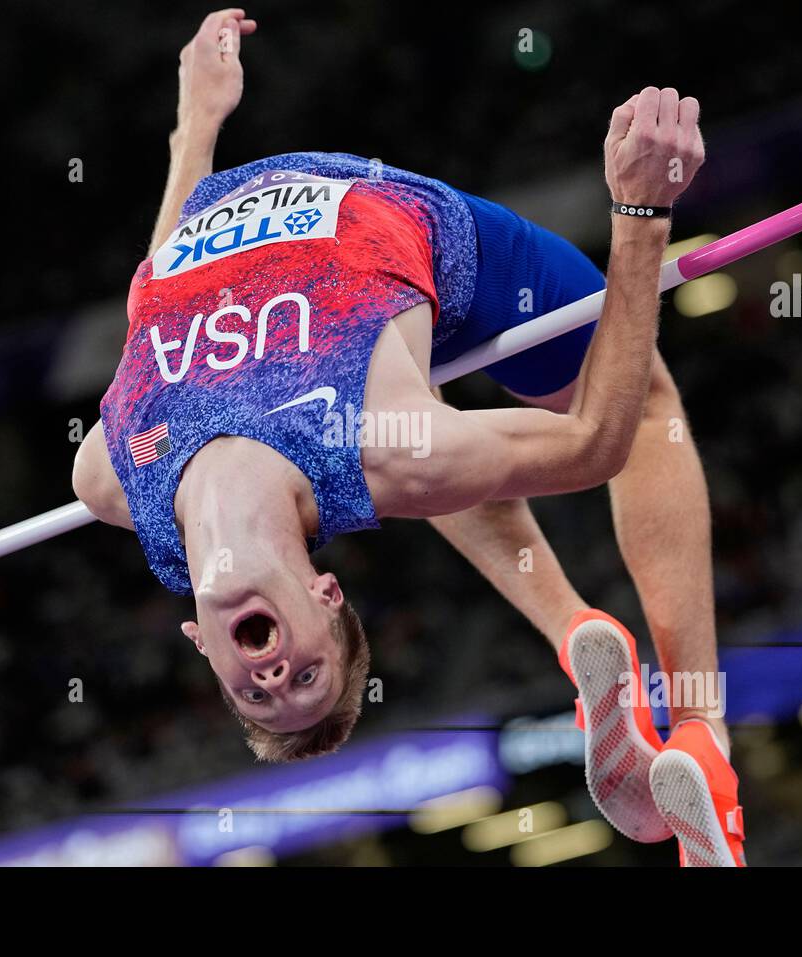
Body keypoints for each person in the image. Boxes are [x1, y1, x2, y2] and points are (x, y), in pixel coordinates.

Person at [72, 9, 744, 866]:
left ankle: (574, 631)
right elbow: (594, 443)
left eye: (259, 695)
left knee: (426, 440)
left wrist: (194, 125)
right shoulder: (387, 449)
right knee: (645, 406)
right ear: (324, 594)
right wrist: (640, 212)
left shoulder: (110, 475)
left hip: (239, 227)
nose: (275, 678)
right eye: (307, 680)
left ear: (202, 643)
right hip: (422, 246)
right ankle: (701, 734)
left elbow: (154, 288)